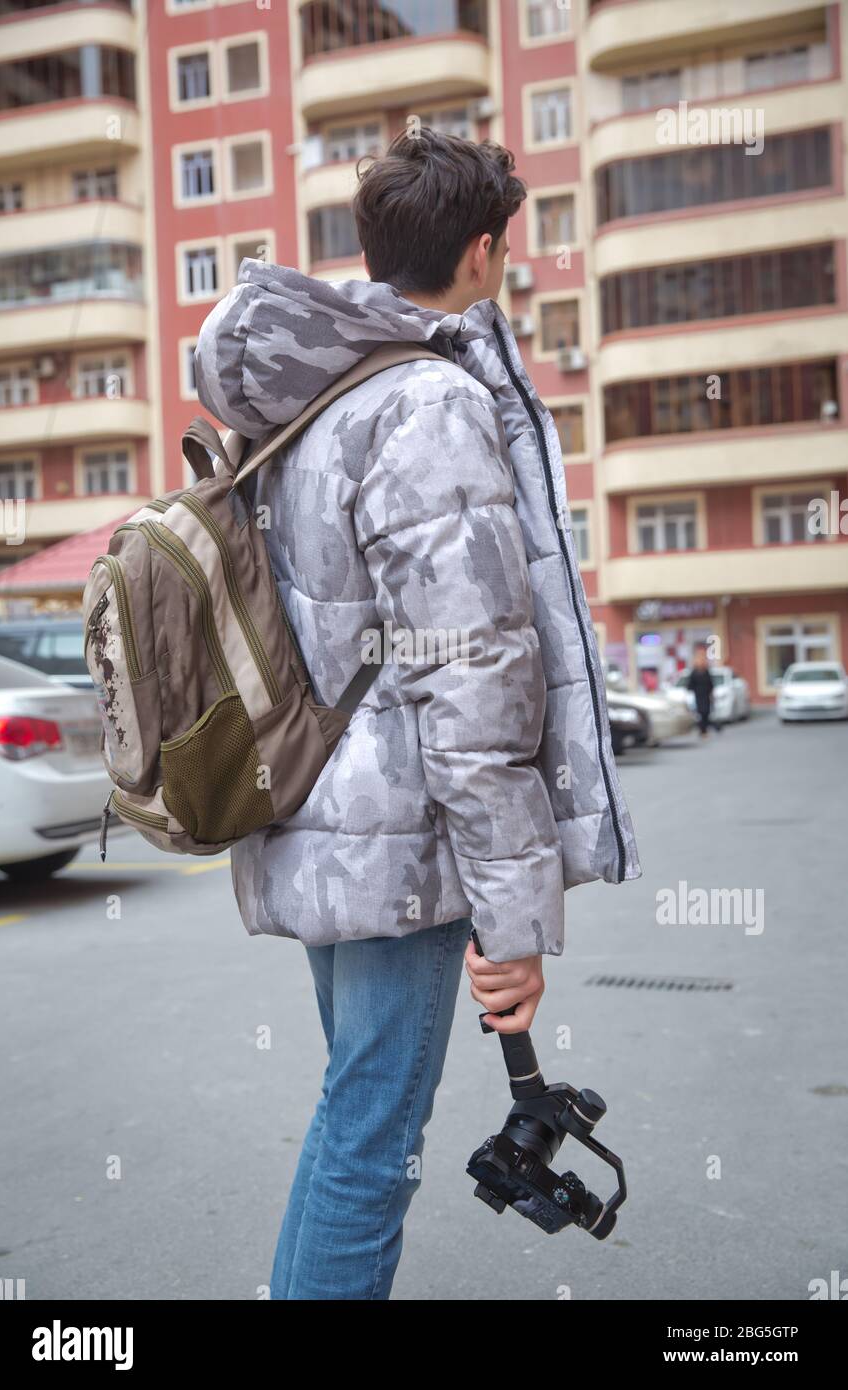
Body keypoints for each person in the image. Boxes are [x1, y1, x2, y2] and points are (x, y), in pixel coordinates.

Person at [194, 129, 640, 1300]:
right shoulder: (429, 399)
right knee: (371, 1140)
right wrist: (512, 918)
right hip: (399, 840)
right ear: (485, 252)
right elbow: (472, 676)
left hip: (315, 809)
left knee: (354, 1114)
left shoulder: (308, 398)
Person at [687, 646, 717, 736]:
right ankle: (703, 730)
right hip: (698, 695)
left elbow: (710, 683)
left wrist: (711, 693)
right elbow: (690, 684)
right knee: (701, 712)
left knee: (706, 712)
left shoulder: (706, 671)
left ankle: (706, 729)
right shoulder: (694, 672)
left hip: (706, 695)